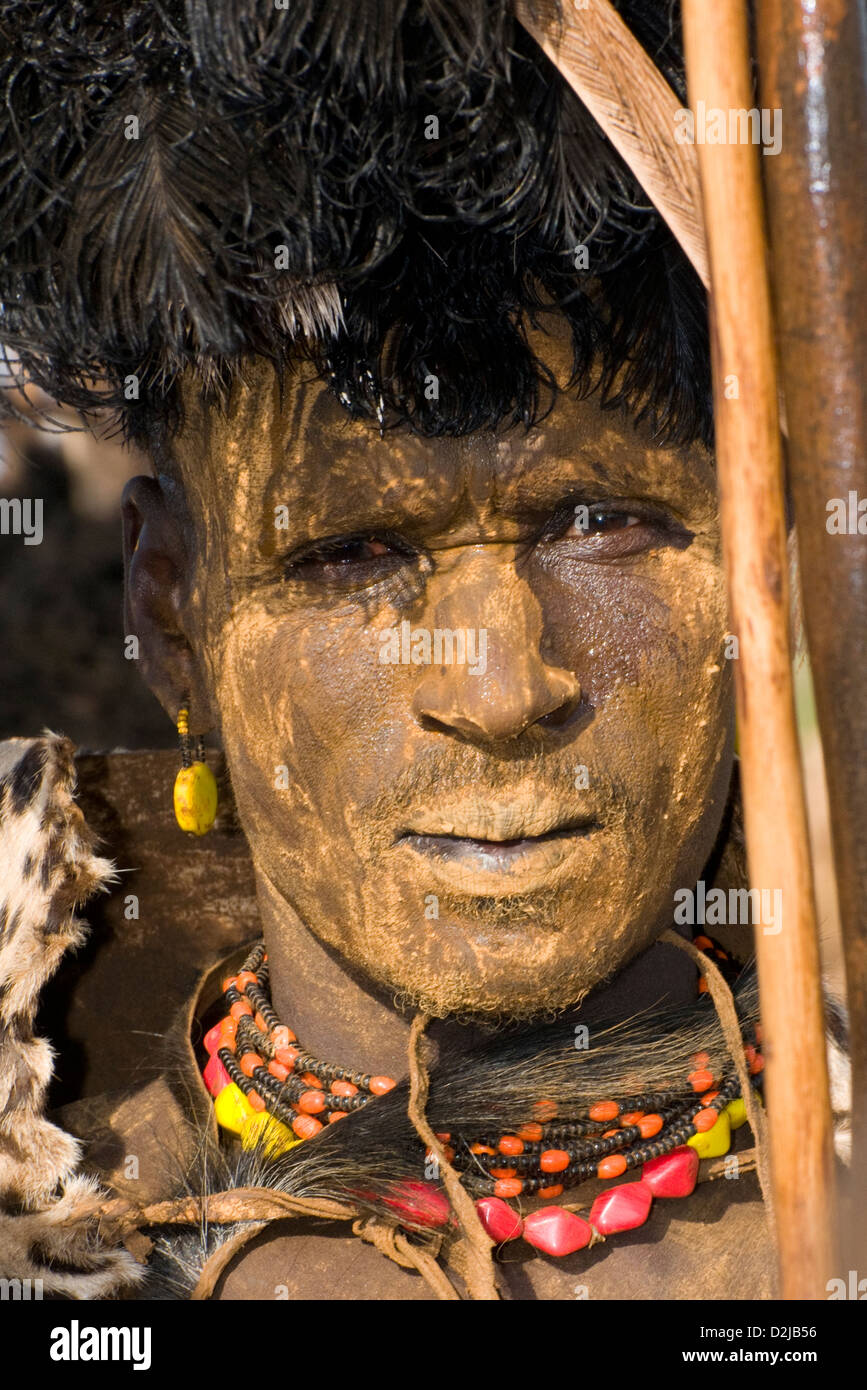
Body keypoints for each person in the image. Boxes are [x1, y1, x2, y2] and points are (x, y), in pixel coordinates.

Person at [0, 0, 844, 1301]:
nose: (504, 688)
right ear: (172, 612)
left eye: (602, 525)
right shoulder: (54, 1225)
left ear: (756, 566)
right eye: (353, 553)